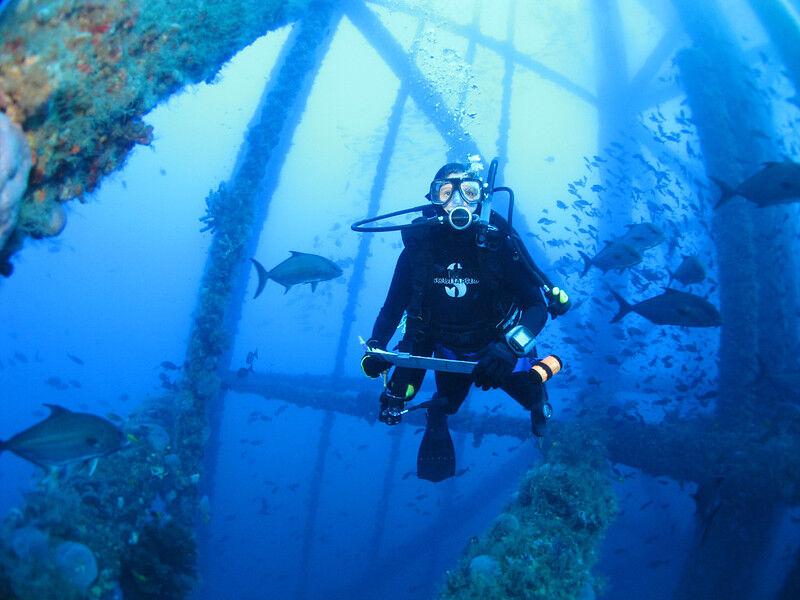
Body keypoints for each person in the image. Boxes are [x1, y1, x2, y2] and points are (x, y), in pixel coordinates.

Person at [360, 161, 569, 482]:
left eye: (468, 192)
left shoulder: (499, 245)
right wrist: (376, 348)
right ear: (434, 200)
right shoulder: (418, 251)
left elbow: (536, 307)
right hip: (444, 350)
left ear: (481, 199)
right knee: (418, 401)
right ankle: (437, 420)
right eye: (446, 192)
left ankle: (539, 396)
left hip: (499, 347)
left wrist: (510, 348)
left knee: (534, 399)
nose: (458, 202)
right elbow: (392, 308)